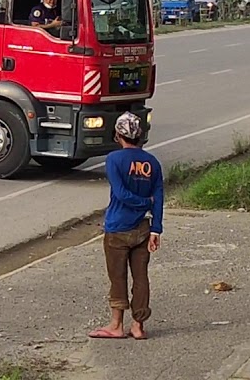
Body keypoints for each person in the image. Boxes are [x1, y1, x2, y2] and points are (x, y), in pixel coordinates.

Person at [90, 112, 164, 341]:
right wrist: (156, 228)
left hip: (117, 228)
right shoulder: (152, 162)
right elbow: (159, 196)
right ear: (140, 136)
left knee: (118, 278)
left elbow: (121, 194)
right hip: (143, 228)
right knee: (141, 278)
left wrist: (142, 202)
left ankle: (116, 325)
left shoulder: (114, 159)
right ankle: (138, 326)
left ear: (117, 135)